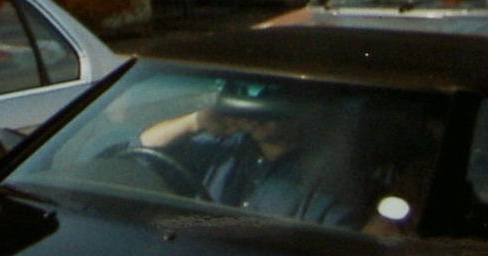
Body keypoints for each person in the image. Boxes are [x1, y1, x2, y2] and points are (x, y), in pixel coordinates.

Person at [136, 81, 366, 229]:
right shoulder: (223, 147)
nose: (255, 113)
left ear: (299, 113)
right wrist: (196, 122)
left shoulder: (323, 176)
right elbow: (142, 152)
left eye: (269, 103)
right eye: (251, 102)